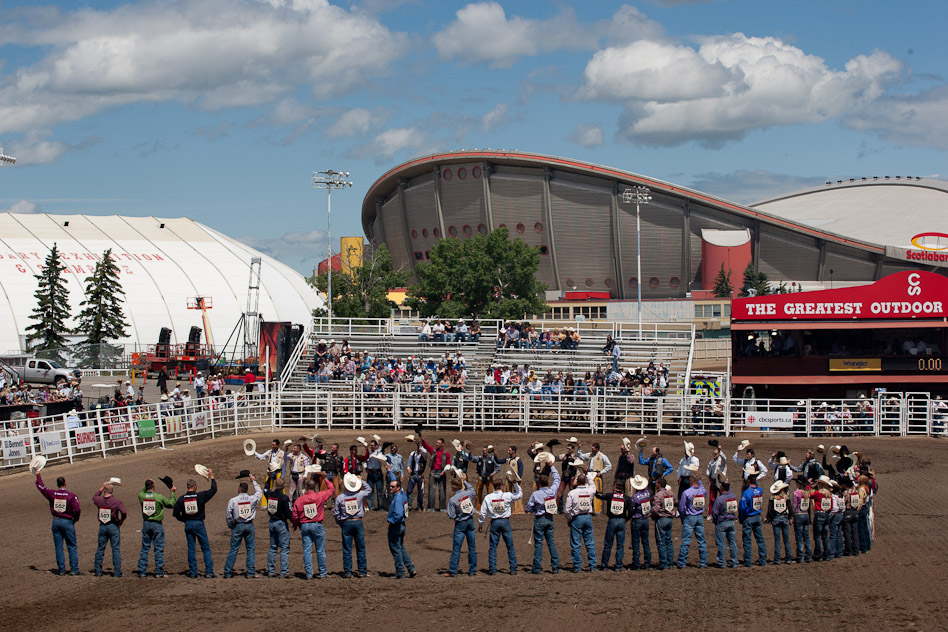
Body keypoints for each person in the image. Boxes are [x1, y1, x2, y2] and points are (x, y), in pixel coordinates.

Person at [172, 470, 217, 578]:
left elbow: (175, 513)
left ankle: (193, 572)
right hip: (199, 523)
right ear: (195, 486)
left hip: (188, 524)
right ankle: (209, 572)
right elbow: (213, 490)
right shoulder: (200, 496)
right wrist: (212, 477)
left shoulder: (181, 499)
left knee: (191, 549)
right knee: (205, 548)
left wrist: (183, 519)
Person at [291, 470, 335, 579]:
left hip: (305, 525)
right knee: (320, 550)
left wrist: (296, 524)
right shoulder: (320, 496)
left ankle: (309, 573)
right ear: (314, 487)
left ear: (306, 486)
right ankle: (323, 572)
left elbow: (295, 514)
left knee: (307, 551)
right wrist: (325, 478)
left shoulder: (300, 500)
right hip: (317, 524)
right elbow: (332, 489)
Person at [36, 472, 81, 575]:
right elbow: (77, 509)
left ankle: (61, 569)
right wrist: (75, 519)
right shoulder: (71, 496)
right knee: (72, 546)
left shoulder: (52, 494)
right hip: (67, 521)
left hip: (56, 521)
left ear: (57, 484)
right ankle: (74, 569)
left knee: (58, 547)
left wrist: (38, 475)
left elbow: (41, 487)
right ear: (65, 484)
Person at [478, 472, 522, 575]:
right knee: (510, 546)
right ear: (502, 486)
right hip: (505, 521)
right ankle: (513, 569)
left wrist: (481, 524)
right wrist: (515, 483)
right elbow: (519, 494)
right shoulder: (507, 495)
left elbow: (482, 512)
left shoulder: (488, 497)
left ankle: (492, 569)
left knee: (493, 547)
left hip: (494, 522)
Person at [525, 454, 561, 574]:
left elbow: (529, 508)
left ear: (539, 483)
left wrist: (531, 509)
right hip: (549, 519)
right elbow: (557, 479)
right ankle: (555, 567)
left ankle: (536, 568)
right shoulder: (552, 490)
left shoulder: (535, 494)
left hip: (539, 519)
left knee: (539, 545)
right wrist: (552, 467)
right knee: (551, 543)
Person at [223, 472, 263, 578]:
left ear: (239, 489)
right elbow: (259, 492)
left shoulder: (233, 500)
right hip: (249, 525)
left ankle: (227, 572)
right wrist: (253, 481)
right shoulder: (252, 499)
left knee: (234, 549)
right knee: (250, 549)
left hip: (238, 525)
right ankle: (250, 572)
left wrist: (230, 525)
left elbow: (228, 515)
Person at [334, 472, 372, 578]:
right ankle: (362, 570)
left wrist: (340, 523)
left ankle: (347, 571)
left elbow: (336, 513)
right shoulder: (359, 495)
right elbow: (369, 490)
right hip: (358, 521)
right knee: (360, 547)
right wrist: (361, 481)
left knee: (347, 548)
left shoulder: (340, 498)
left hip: (346, 523)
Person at [137, 478, 175, 578]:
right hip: (157, 525)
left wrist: (147, 483)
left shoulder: (142, 496)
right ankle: (159, 571)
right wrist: (172, 493)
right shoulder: (159, 497)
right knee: (158, 548)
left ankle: (142, 571)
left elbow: (141, 492)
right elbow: (171, 504)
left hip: (146, 523)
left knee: (145, 548)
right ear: (153, 486)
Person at [444, 472, 478, 577]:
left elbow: (451, 515)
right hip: (470, 520)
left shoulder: (453, 500)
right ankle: (472, 570)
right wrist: (464, 480)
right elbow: (472, 490)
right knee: (472, 547)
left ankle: (453, 570)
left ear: (453, 487)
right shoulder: (468, 493)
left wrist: (457, 517)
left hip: (460, 523)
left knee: (456, 548)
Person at [385, 466, 416, 579]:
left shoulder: (397, 499)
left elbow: (398, 514)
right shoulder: (402, 494)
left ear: (398, 488)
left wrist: (390, 521)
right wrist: (389, 470)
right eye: (390, 486)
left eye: (392, 487)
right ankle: (411, 568)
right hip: (402, 526)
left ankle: (400, 572)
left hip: (396, 526)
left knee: (396, 549)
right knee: (401, 547)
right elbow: (394, 480)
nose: (390, 488)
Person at [565, 470, 598, 572]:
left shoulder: (572, 493)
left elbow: (567, 509)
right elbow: (593, 485)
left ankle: (577, 566)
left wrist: (569, 518)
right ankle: (593, 565)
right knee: (590, 543)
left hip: (577, 518)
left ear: (577, 482)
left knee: (576, 543)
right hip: (588, 517)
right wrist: (587, 474)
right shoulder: (590, 491)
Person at [93, 480, 127, 577]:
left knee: (100, 549)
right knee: (115, 549)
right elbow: (124, 512)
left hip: (103, 526)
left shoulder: (99, 500)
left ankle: (98, 571)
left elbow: (95, 497)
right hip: (113, 526)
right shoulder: (116, 501)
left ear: (105, 491)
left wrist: (101, 488)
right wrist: (121, 521)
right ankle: (117, 572)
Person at [676, 467, 708, 568]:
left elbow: (681, 508)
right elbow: (702, 487)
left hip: (689, 517)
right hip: (699, 516)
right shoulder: (702, 491)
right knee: (701, 541)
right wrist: (699, 478)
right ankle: (703, 562)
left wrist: (682, 517)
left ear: (691, 481)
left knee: (686, 541)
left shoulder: (687, 493)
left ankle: (682, 563)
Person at [738, 470, 767, 567]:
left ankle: (747, 561)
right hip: (757, 516)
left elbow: (742, 507)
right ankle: (763, 559)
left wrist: (741, 517)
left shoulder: (747, 493)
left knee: (747, 540)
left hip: (749, 517)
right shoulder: (760, 490)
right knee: (760, 539)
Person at [264, 478, 292, 578]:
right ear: (283, 487)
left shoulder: (270, 495)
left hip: (272, 521)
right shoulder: (284, 498)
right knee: (284, 548)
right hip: (281, 523)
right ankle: (284, 571)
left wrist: (268, 480)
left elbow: (265, 490)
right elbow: (288, 513)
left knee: (272, 547)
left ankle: (271, 571)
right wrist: (293, 521)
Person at [626, 474, 652, 570]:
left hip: (637, 520)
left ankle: (636, 564)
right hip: (645, 519)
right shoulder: (647, 493)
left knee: (636, 543)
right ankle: (647, 564)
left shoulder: (635, 497)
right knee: (646, 542)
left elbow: (632, 509)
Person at [710, 480, 738, 568]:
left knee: (721, 544)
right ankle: (734, 561)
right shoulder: (733, 496)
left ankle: (722, 562)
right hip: (731, 521)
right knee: (732, 543)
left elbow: (714, 512)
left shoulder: (719, 499)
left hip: (722, 522)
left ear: (721, 488)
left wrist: (715, 521)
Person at [420, 433, 451, 512]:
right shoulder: (433, 450)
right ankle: (431, 507)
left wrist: (444, 471)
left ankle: (442, 507)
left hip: (441, 472)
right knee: (432, 490)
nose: (437, 444)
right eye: (437, 443)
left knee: (442, 490)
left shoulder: (446, 453)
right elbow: (426, 446)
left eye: (438, 443)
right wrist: (422, 438)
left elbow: (449, 464)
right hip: (433, 472)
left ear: (442, 444)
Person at [650, 477, 676, 570]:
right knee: (668, 541)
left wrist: (651, 514)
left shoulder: (658, 495)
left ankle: (663, 563)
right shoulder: (671, 493)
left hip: (662, 519)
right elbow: (675, 502)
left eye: (656, 483)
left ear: (659, 484)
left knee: (661, 541)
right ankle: (670, 562)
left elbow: (656, 509)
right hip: (669, 519)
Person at [765, 480, 792, 564]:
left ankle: (777, 559)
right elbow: (790, 509)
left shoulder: (772, 499)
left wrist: (769, 519)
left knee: (777, 540)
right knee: (786, 539)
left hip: (776, 519)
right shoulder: (786, 498)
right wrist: (790, 517)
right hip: (784, 518)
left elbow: (770, 510)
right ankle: (788, 558)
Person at [583, 443, 612, 514]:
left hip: (597, 475)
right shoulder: (590, 455)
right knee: (588, 490)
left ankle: (598, 510)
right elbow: (581, 456)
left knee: (598, 491)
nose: (591, 450)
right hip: (590, 474)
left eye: (593, 448)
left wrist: (601, 472)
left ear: (597, 449)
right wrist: (579, 448)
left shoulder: (602, 456)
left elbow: (609, 465)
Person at [810, 475, 833, 561]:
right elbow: (830, 507)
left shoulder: (817, 494)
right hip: (826, 514)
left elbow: (809, 495)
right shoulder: (829, 495)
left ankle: (818, 554)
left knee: (817, 536)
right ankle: (827, 554)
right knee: (825, 536)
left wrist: (812, 486)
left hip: (819, 514)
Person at [791, 475, 813, 563]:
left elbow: (794, 506)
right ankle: (808, 556)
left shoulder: (796, 493)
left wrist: (792, 516)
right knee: (806, 537)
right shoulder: (807, 493)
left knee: (799, 537)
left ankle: (800, 557)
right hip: (806, 515)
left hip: (798, 515)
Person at [406, 440, 428, 511]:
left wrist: (420, 446)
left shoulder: (424, 454)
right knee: (409, 490)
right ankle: (409, 506)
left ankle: (419, 506)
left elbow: (424, 451)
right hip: (413, 474)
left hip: (420, 474)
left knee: (420, 492)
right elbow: (409, 461)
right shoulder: (413, 453)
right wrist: (408, 467)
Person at [706, 440, 727, 510]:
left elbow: (724, 458)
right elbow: (708, 471)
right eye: (713, 454)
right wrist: (709, 478)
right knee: (712, 498)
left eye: (715, 454)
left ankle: (722, 511)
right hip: (713, 481)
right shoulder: (711, 462)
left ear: (718, 454)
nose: (713, 455)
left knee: (722, 497)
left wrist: (720, 450)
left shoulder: (722, 461)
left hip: (720, 481)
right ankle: (711, 513)